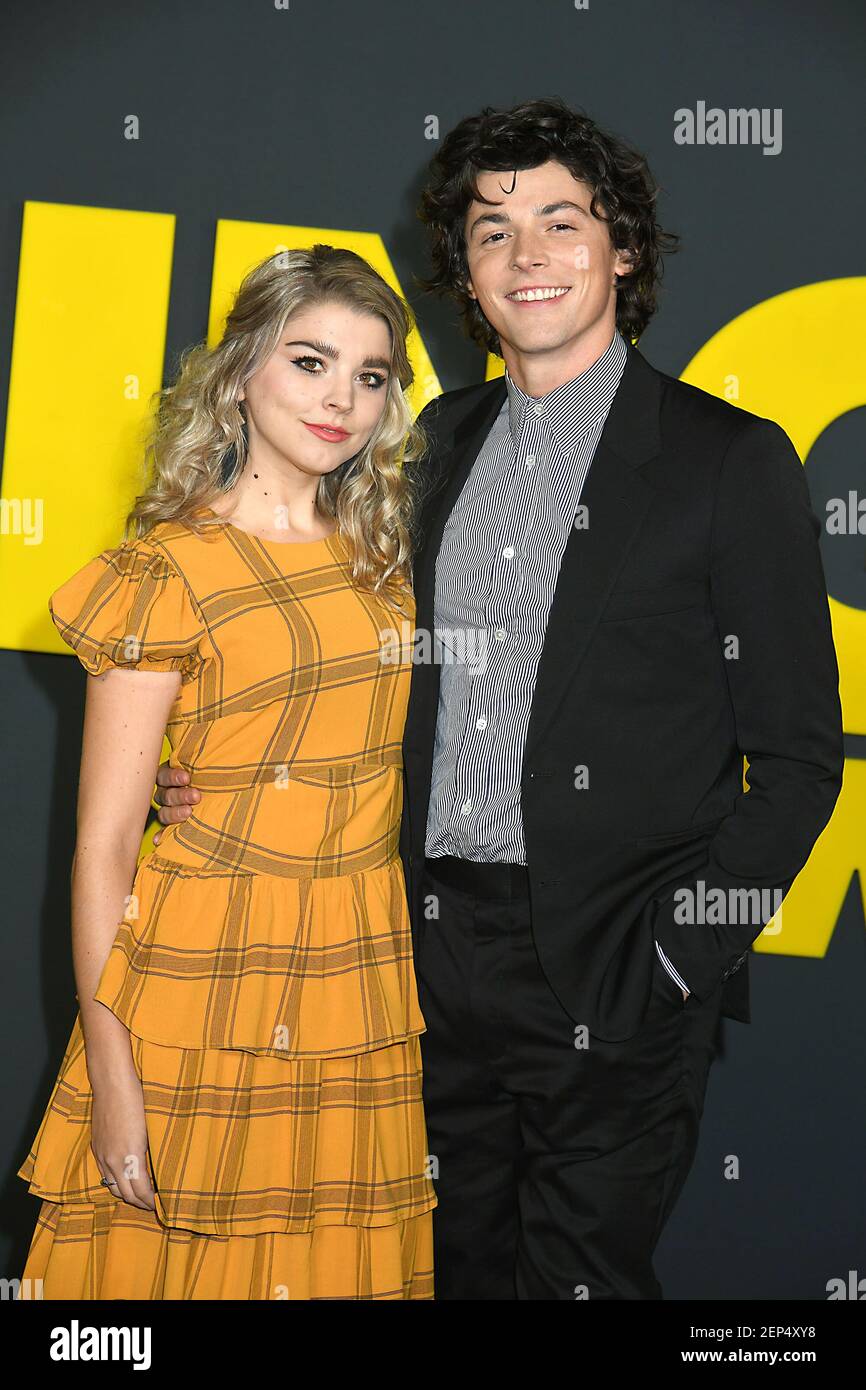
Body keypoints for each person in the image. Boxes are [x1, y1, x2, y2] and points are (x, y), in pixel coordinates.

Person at [155, 99, 844, 1300]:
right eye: (491, 230)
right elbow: (358, 664)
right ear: (464, 274)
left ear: (620, 250)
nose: (526, 255)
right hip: (414, 953)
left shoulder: (727, 459)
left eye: (559, 222)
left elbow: (795, 762)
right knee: (447, 1277)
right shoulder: (432, 441)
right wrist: (222, 770)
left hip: (615, 965)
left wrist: (679, 957)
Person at [17, 244, 437, 1300]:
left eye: (370, 374)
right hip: (203, 983)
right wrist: (113, 1083)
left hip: (357, 983)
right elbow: (106, 844)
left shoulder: (384, 559)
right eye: (309, 361)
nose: (341, 397)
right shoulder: (168, 566)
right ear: (242, 372)